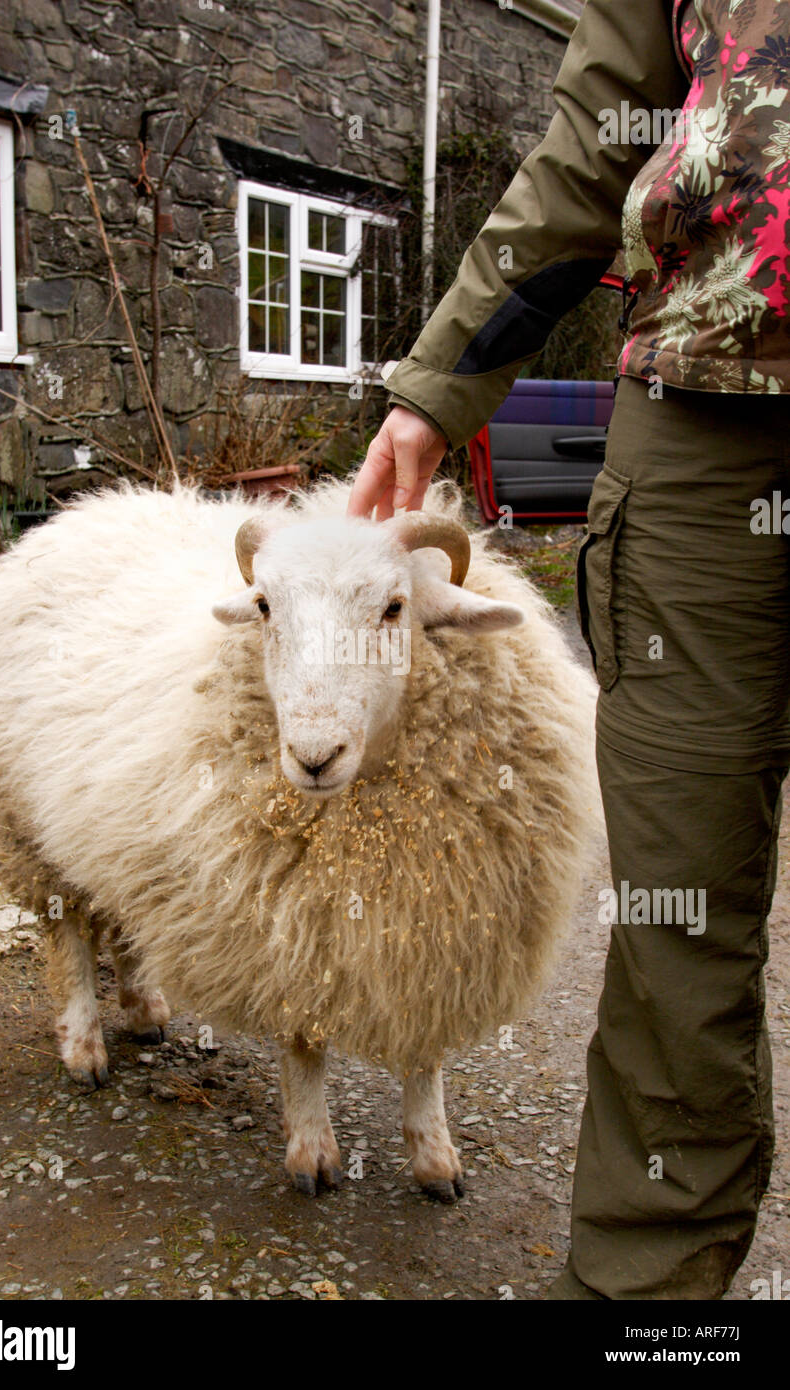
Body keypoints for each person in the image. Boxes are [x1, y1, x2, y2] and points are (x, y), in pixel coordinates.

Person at [348, 0, 790, 1299]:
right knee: (677, 919)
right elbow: (598, 139)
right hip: (708, 419)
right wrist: (437, 382)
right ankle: (642, 1302)